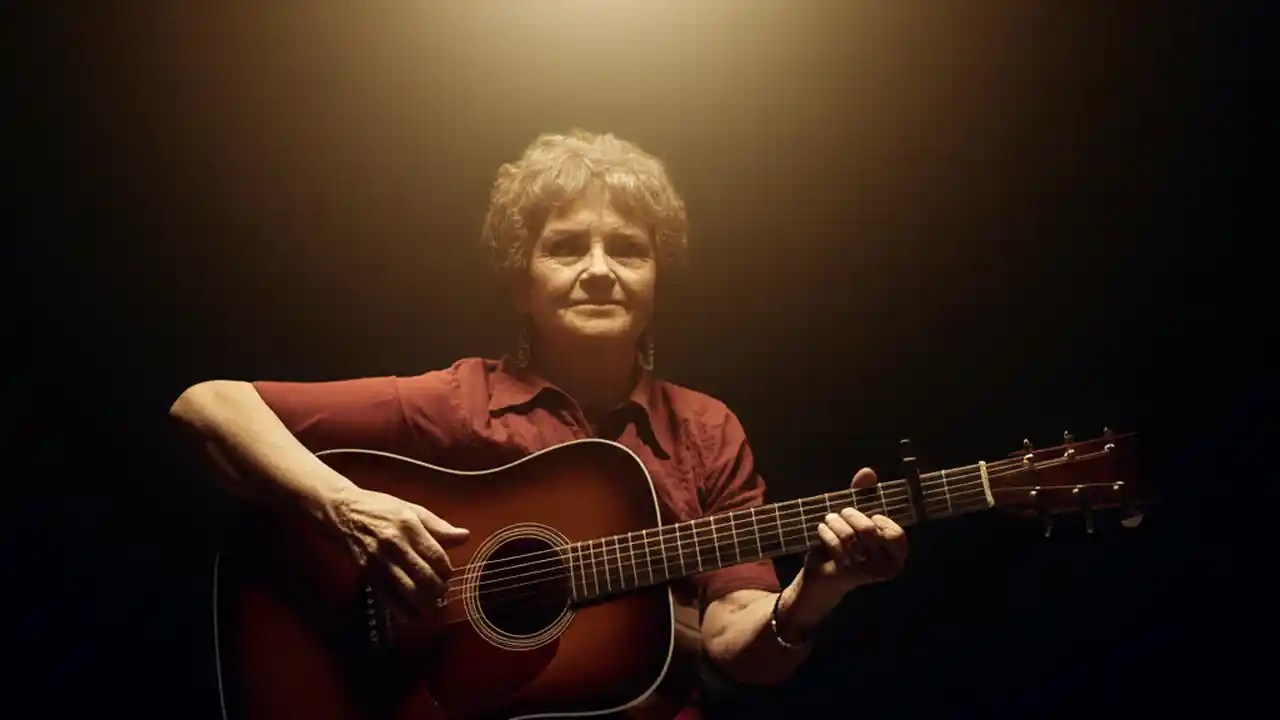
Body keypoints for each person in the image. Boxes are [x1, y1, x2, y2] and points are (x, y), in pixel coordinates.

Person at [170, 129, 908, 714]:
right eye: (565, 247)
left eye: (627, 249)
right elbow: (208, 407)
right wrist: (348, 509)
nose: (599, 268)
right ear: (522, 281)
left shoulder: (706, 430)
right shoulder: (462, 401)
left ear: (656, 279)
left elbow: (733, 644)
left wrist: (818, 589)